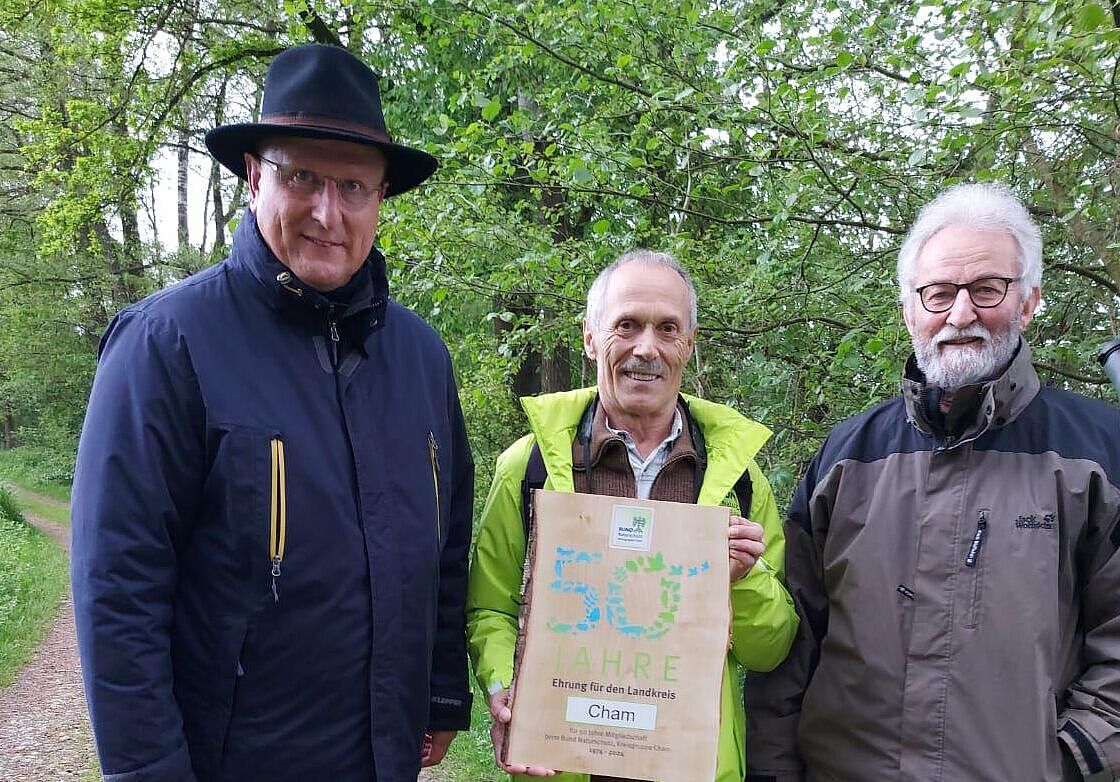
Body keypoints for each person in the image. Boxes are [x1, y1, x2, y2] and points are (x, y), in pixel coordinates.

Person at [70, 43, 473, 782]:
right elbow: (117, 591)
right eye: (303, 177)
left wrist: (442, 693)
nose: (328, 211)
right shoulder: (166, 344)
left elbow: (445, 548)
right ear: (255, 176)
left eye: (353, 186)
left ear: (381, 198)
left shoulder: (421, 357)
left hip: (382, 759)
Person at [744, 182, 1120, 782]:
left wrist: (1073, 757)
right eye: (939, 293)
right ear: (909, 310)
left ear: (1028, 302)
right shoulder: (847, 457)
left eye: (986, 289)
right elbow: (791, 643)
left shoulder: (1098, 454)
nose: (961, 313)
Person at [466, 249, 799, 782]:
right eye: (627, 325)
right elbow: (491, 610)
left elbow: (771, 650)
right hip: (564, 758)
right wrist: (511, 686)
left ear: (688, 345)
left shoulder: (738, 479)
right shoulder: (527, 467)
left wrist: (743, 579)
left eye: (668, 329)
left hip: (692, 765)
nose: (648, 348)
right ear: (590, 337)